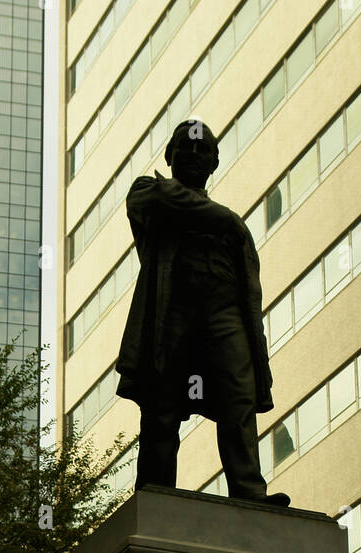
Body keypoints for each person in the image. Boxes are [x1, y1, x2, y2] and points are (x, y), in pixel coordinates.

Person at [116, 117, 290, 506]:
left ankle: (248, 491)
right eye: (186, 147)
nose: (194, 154)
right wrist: (227, 219)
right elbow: (160, 200)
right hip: (172, 313)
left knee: (238, 396)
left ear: (213, 163)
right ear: (170, 156)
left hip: (224, 313)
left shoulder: (225, 228)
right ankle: (157, 496)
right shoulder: (149, 192)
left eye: (203, 150)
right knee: (162, 406)